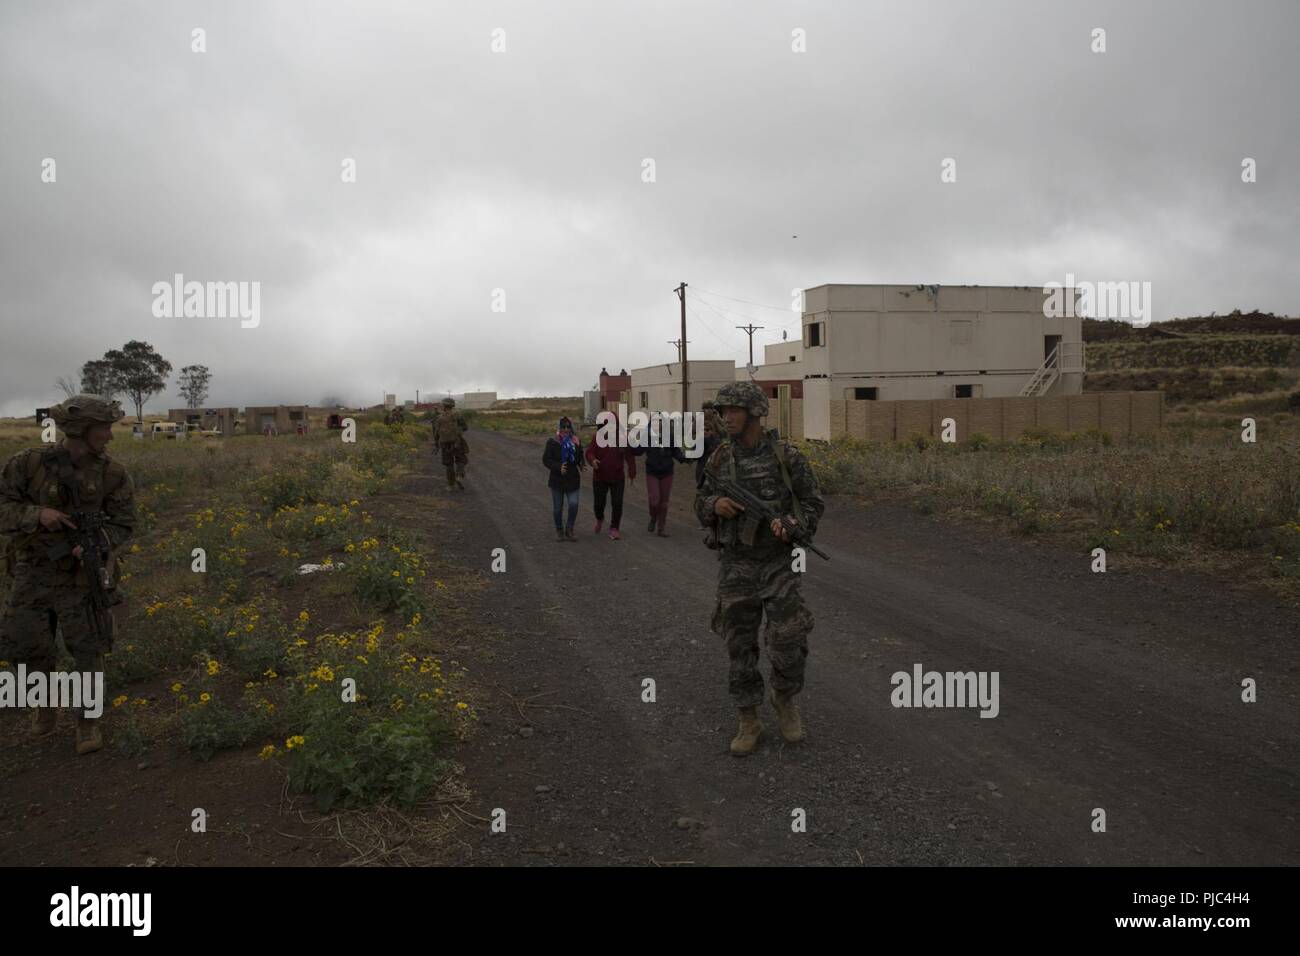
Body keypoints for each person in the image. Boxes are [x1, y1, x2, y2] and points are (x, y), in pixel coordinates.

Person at [695, 381, 824, 757]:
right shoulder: (719, 459)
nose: (726, 417)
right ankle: (748, 717)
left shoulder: (787, 457)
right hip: (736, 565)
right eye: (723, 411)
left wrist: (794, 526)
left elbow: (813, 502)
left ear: (753, 413)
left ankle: (784, 700)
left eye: (733, 410)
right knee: (739, 644)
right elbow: (700, 502)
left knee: (788, 639)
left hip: (778, 563)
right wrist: (715, 504)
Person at [0, 394, 135, 755]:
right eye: (104, 428)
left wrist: (96, 545)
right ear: (80, 429)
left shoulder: (113, 474)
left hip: (80, 576)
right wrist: (36, 515)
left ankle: (87, 721)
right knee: (26, 645)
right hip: (32, 574)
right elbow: (4, 507)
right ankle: (45, 707)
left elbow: (125, 523)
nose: (109, 435)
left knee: (89, 649)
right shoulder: (27, 464)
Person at [634, 414, 686, 537]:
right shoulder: (646, 437)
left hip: (667, 472)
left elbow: (676, 451)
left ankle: (661, 528)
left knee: (664, 503)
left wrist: (684, 458)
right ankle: (653, 517)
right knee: (655, 499)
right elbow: (638, 451)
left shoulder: (669, 437)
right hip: (652, 472)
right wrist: (629, 445)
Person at [585, 417, 636, 540]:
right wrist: (593, 460)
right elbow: (589, 452)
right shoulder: (597, 437)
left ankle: (614, 527)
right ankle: (600, 518)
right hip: (600, 477)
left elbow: (629, 456)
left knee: (617, 502)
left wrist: (632, 472)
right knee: (599, 504)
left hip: (617, 477)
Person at [542, 417, 585, 541]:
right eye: (563, 427)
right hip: (557, 480)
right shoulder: (552, 442)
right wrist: (558, 467)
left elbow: (580, 456)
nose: (565, 429)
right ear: (559, 428)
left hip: (572, 479)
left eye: (568, 427)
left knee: (574, 504)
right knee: (557, 508)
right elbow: (546, 460)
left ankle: (569, 529)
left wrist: (582, 465)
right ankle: (559, 530)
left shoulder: (576, 441)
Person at [433, 397, 468, 490]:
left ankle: (450, 485)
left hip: (444, 444)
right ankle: (459, 476)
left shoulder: (439, 418)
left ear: (444, 406)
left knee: (449, 464)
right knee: (461, 460)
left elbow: (436, 433)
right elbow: (465, 427)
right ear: (452, 405)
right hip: (457, 442)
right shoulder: (458, 415)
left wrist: (436, 444)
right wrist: (458, 431)